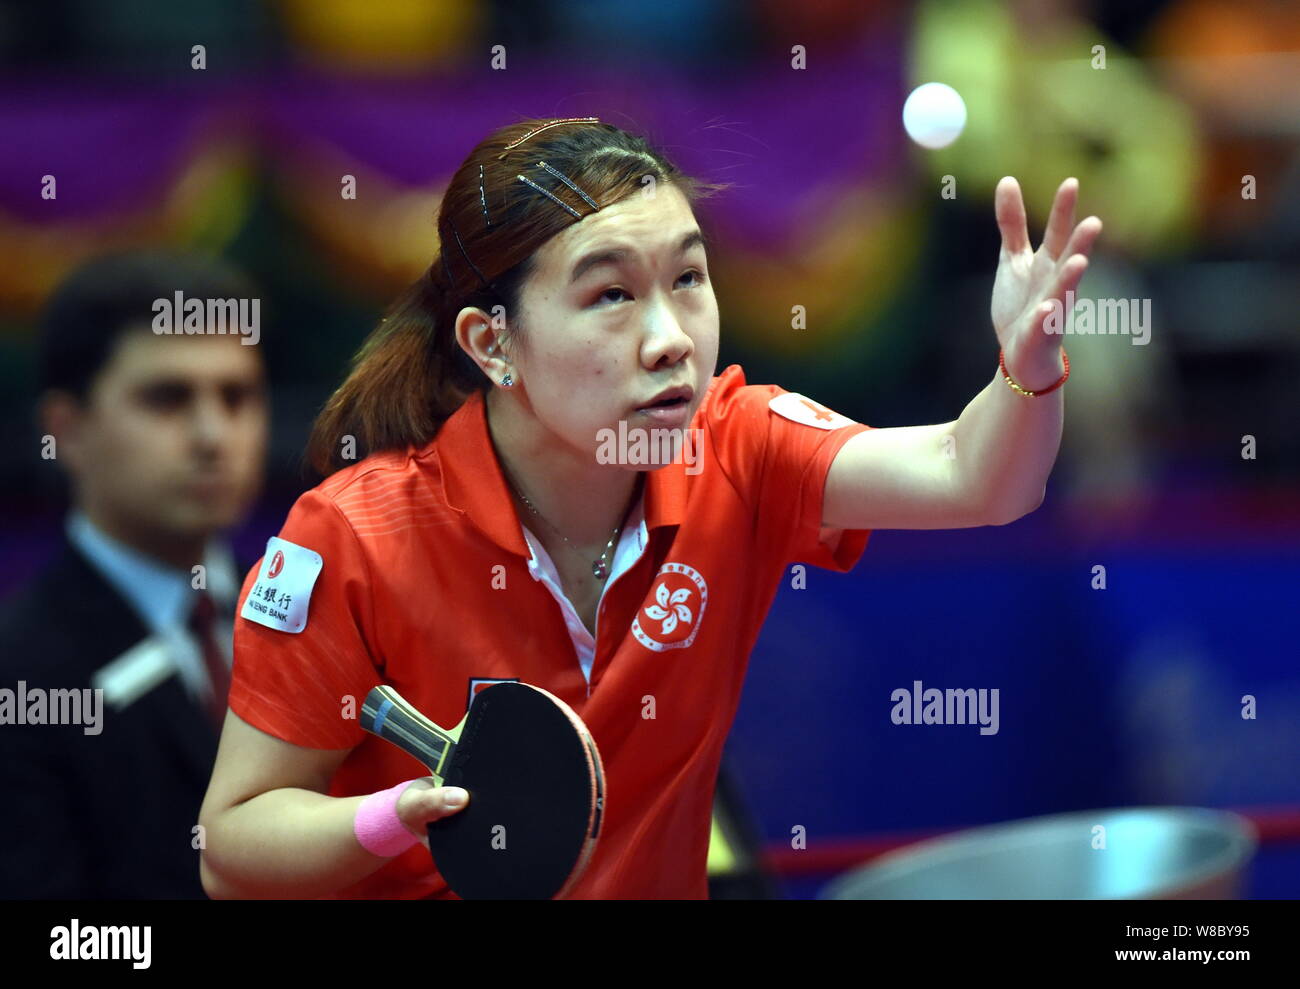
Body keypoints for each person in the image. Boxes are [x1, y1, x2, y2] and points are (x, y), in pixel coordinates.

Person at [198, 117, 1100, 899]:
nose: (671, 340)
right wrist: (396, 816)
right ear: (492, 341)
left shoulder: (735, 449)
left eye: (689, 279)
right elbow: (232, 848)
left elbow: (976, 477)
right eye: (612, 294)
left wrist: (1026, 373)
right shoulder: (354, 534)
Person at [0, 251, 268, 897]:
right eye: (167, 398)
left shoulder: (327, 615)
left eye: (236, 396)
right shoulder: (19, 673)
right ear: (65, 430)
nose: (213, 434)